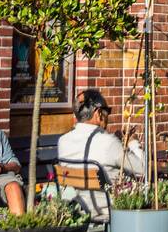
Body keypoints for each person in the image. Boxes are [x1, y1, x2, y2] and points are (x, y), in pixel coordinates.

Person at [56, 89, 147, 219]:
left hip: (79, 206)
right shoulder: (109, 143)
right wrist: (132, 142)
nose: (108, 116)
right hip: (110, 208)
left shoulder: (62, 141)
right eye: (107, 111)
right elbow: (143, 169)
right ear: (98, 113)